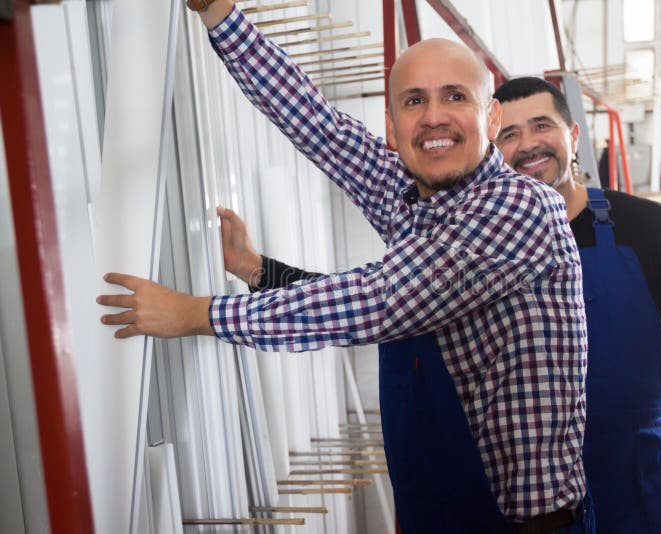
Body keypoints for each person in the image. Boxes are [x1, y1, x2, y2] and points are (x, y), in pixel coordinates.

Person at [98, 2, 592, 532]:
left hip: (523, 525)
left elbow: (381, 301)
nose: (433, 117)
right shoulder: (412, 194)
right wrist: (220, 14)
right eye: (414, 101)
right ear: (394, 124)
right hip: (439, 509)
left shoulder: (519, 207)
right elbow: (319, 127)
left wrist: (199, 314)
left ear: (490, 117)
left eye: (455, 96)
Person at [224, 76, 661, 533]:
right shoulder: (464, 233)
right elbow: (382, 303)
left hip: (636, 483)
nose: (527, 146)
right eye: (510, 135)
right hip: (520, 494)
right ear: (492, 142)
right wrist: (259, 271)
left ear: (572, 135)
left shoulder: (642, 225)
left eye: (542, 126)